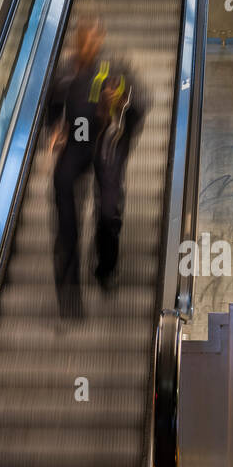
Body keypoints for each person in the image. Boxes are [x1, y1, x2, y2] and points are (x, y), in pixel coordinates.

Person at [46, 18, 148, 318]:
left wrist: (121, 104)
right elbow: (51, 109)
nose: (89, 45)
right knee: (64, 203)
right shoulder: (65, 72)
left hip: (106, 143)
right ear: (77, 41)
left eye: (94, 40)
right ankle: (69, 298)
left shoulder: (112, 69)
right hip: (77, 143)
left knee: (108, 212)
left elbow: (139, 104)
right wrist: (55, 129)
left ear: (100, 40)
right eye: (84, 40)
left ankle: (105, 268)